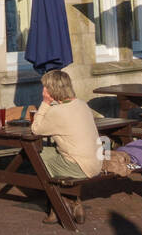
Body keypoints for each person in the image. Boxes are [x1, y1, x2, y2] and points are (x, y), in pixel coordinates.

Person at [30, 69, 102, 224]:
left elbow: (35, 129)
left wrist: (45, 103)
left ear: (52, 90)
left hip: (80, 166)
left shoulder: (57, 111)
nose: (43, 91)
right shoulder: (82, 104)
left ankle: (60, 205)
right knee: (48, 154)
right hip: (96, 162)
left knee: (34, 155)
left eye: (45, 87)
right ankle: (73, 201)